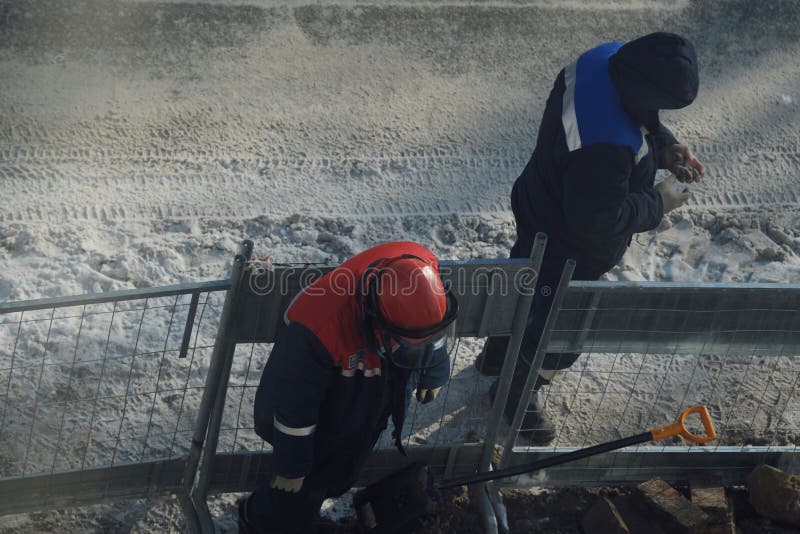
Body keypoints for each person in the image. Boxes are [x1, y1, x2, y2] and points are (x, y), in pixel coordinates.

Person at [476, 32, 706, 444]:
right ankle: (512, 394)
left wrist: (664, 143)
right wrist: (658, 201)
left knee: (522, 283)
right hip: (570, 245)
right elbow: (599, 219)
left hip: (538, 198)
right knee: (563, 331)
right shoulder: (606, 146)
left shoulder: (603, 58)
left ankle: (496, 357)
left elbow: (630, 108)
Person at [238, 241, 459, 533]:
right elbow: (294, 398)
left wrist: (434, 371)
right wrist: (291, 465)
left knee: (343, 461)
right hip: (328, 394)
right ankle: (260, 521)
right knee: (309, 478)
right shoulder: (319, 324)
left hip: (371, 378)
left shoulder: (421, 271)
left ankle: (304, 511)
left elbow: (432, 333)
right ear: (379, 324)